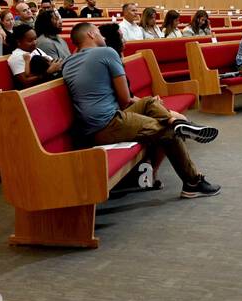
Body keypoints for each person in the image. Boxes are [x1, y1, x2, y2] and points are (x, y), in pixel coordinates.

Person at [65, 22, 220, 198]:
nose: (104, 37)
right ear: (91, 35)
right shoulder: (106, 52)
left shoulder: (69, 62)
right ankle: (193, 182)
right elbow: (125, 99)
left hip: (95, 123)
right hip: (106, 124)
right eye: (100, 33)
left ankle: (177, 122)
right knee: (168, 132)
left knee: (148, 102)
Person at [7, 23, 63, 88]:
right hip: (37, 90)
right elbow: (26, 82)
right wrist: (48, 72)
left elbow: (52, 62)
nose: (34, 43)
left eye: (35, 39)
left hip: (50, 83)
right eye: (30, 40)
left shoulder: (37, 50)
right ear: (19, 42)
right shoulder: (16, 57)